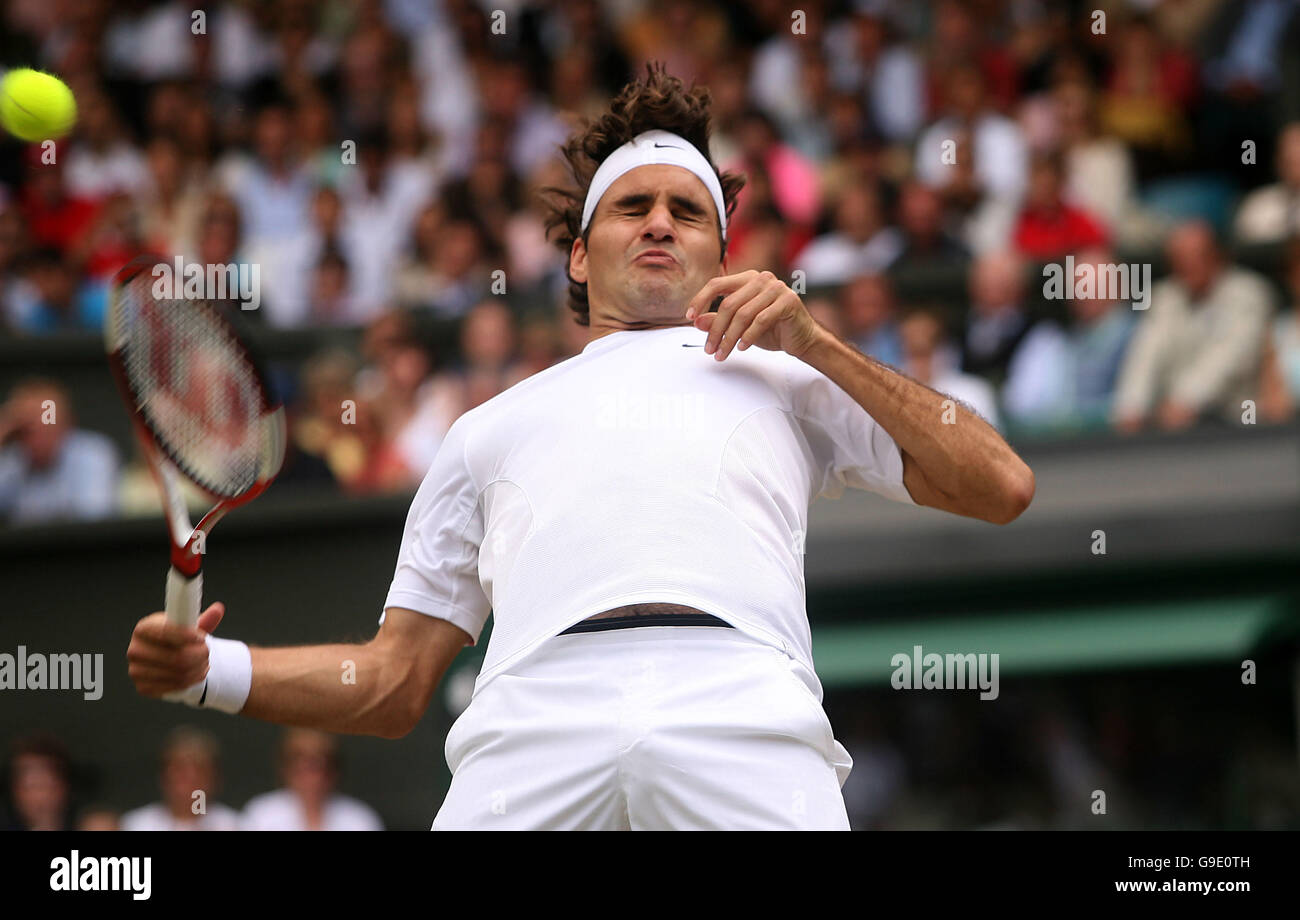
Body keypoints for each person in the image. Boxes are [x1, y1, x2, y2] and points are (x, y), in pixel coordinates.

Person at [126, 65, 1034, 831]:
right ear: (576, 254)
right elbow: (396, 680)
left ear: (721, 250)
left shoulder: (793, 377)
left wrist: (818, 342)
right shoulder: (484, 430)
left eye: (687, 210)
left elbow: (1000, 485)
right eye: (633, 205)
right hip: (530, 715)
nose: (659, 223)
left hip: (744, 703)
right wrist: (216, 672)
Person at [1113, 221, 1276, 431]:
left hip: (1239, 416)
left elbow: (1233, 355)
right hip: (1176, 421)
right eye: (1180, 259)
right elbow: (1145, 355)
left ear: (1217, 256)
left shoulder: (1249, 293)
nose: (1189, 265)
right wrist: (1131, 406)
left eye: (1197, 257)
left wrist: (1186, 398)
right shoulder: (1164, 298)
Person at [0, 378, 119, 524]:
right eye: (27, 428)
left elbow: (93, 524)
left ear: (66, 423)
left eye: (46, 420)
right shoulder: (13, 461)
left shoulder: (93, 453)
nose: (39, 430)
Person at [241, 729, 383, 831]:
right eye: (304, 768)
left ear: (335, 771)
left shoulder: (359, 819)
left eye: (321, 767)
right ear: (286, 769)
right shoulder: (261, 814)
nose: (313, 778)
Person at [120, 727, 241, 831]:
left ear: (216, 777)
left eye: (200, 768)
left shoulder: (237, 826)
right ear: (163, 775)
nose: (190, 776)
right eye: (179, 768)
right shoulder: (134, 825)